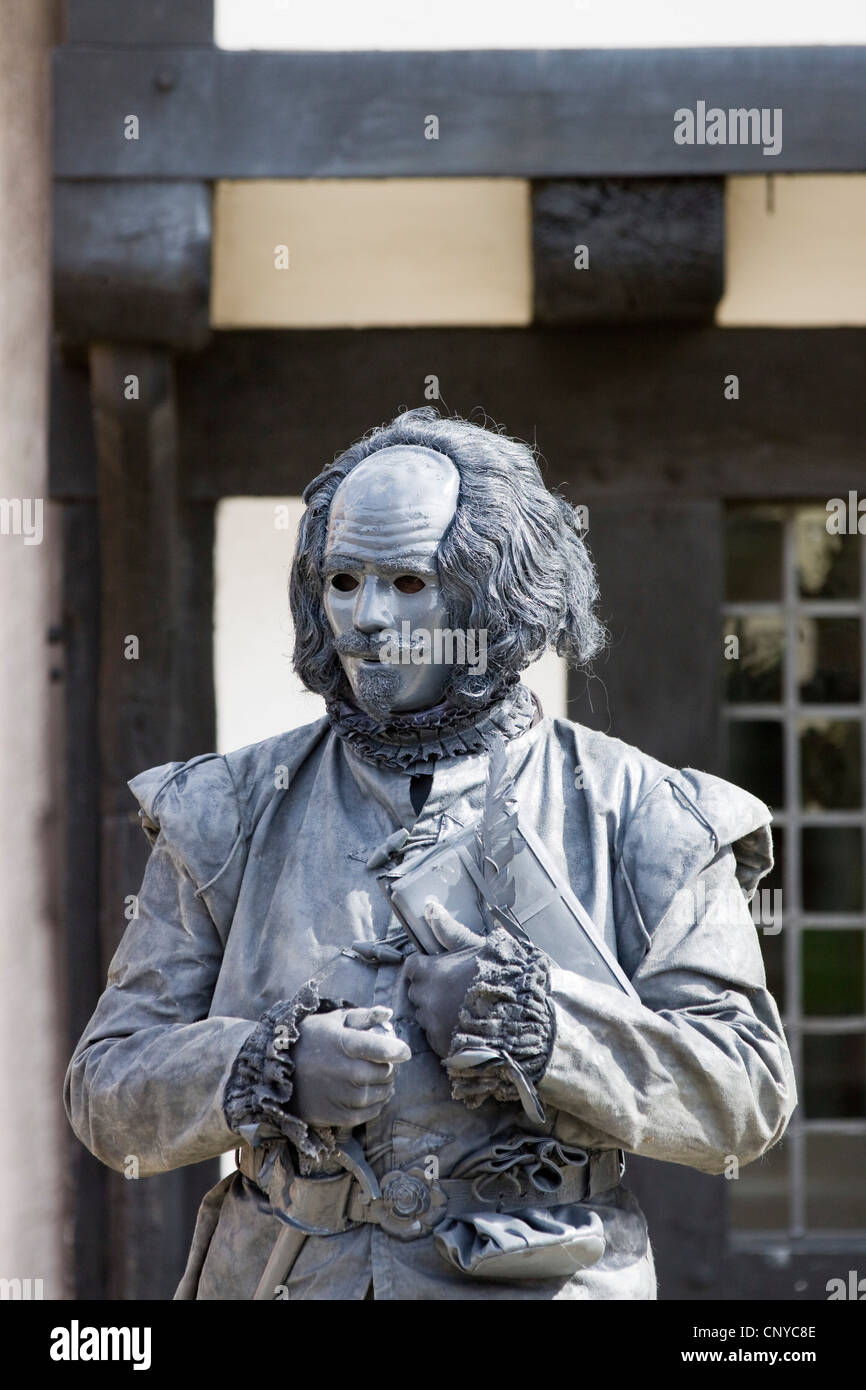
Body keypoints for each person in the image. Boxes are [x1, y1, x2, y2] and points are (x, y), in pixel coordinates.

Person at [65, 407, 796, 1300]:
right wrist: (268, 1066)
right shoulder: (222, 813)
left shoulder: (647, 814)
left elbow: (743, 1099)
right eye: (343, 579)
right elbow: (107, 1094)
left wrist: (537, 1028)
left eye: (408, 581)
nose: (366, 618)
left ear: (491, 591)